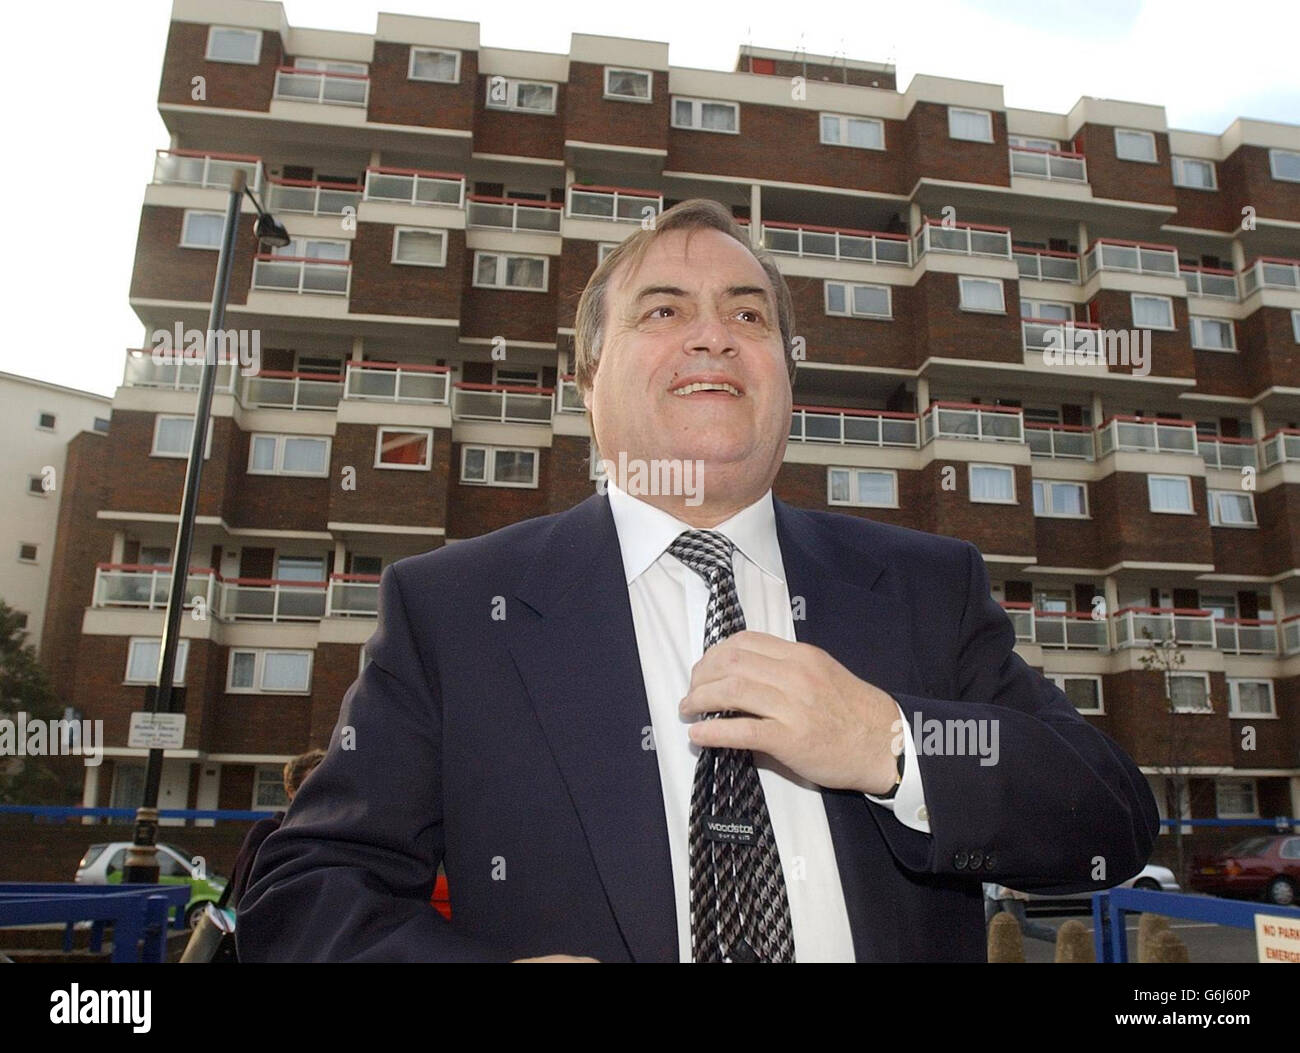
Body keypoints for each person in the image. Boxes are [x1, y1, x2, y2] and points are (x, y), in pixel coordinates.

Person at [237, 198, 1159, 963]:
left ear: (787, 380)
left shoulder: (928, 586)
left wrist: (892, 743)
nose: (714, 337)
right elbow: (304, 890)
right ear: (587, 381)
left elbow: (1110, 818)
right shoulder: (452, 611)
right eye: (664, 310)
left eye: (750, 314)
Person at [227, 749, 324, 908]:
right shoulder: (267, 833)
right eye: (314, 786)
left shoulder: (334, 837)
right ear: (291, 792)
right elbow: (243, 895)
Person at [983, 882, 1057, 943]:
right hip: (993, 892)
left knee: (1022, 927)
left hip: (1010, 894)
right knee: (988, 923)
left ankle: (1057, 936)